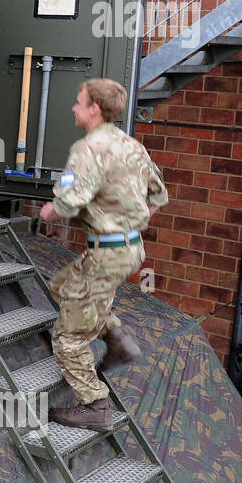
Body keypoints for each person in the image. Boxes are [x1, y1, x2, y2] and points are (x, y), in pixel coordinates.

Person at [38, 78, 168, 431]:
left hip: (106, 254)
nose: (74, 108)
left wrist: (47, 211)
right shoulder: (132, 146)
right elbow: (158, 196)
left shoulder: (87, 149)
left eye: (79, 102)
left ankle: (95, 404)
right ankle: (116, 337)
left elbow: (68, 202)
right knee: (61, 285)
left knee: (67, 339)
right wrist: (124, 226)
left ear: (95, 108)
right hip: (130, 249)